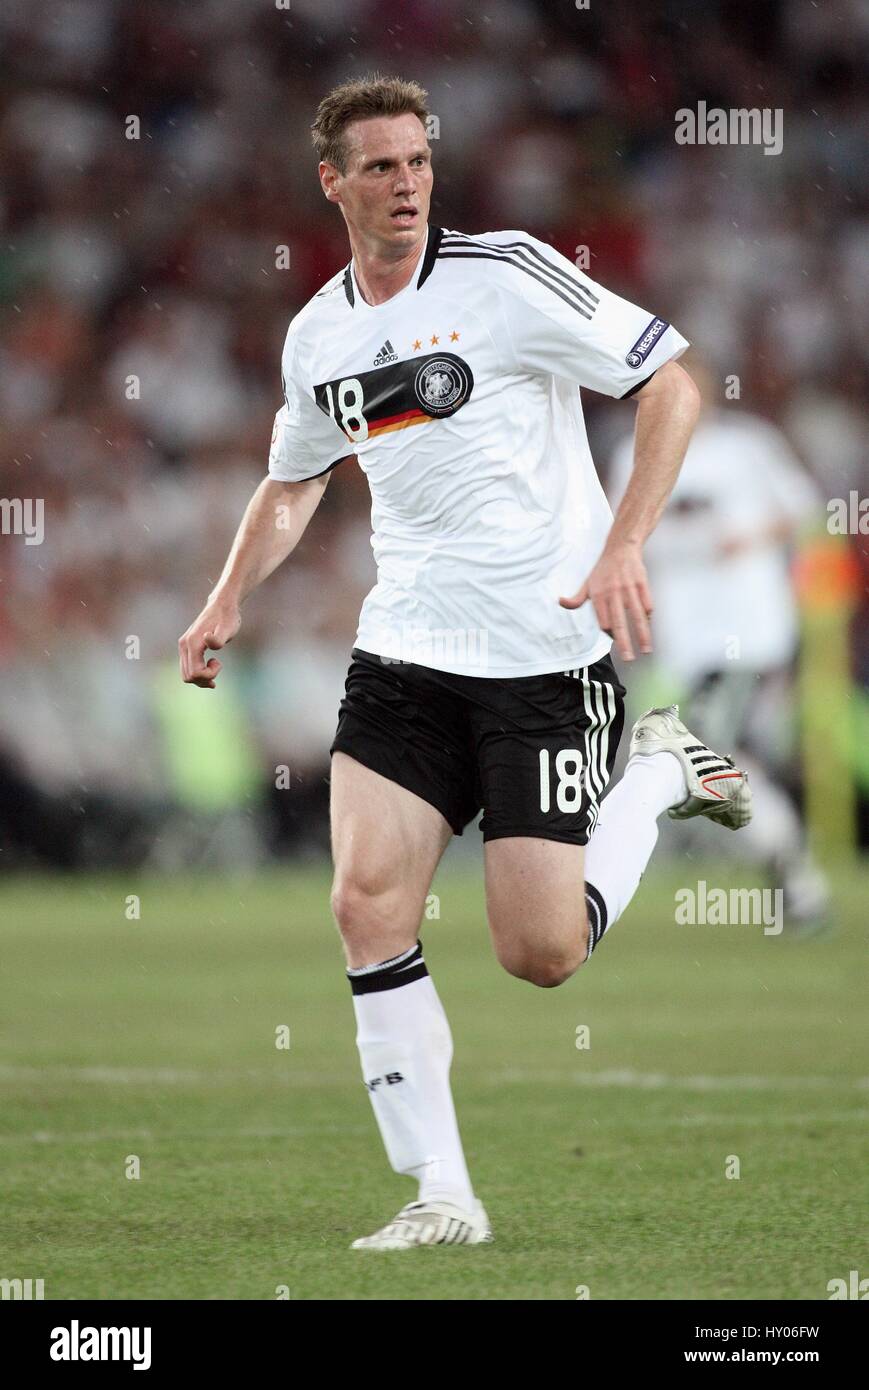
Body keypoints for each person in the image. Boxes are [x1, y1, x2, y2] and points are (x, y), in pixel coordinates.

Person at [178, 75, 751, 1251]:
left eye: (419, 163)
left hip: (543, 656)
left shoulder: (504, 277)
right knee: (364, 903)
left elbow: (668, 384)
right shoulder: (319, 332)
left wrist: (625, 540)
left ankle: (654, 769)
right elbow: (295, 480)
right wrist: (227, 593)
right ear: (330, 182)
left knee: (537, 955)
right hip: (403, 655)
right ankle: (443, 1193)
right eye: (379, 167)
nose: (406, 185)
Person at [608, 357, 829, 927]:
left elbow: (804, 510)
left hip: (748, 633)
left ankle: (792, 867)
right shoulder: (628, 456)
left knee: (698, 753)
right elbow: (617, 541)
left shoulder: (746, 446)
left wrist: (746, 538)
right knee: (715, 759)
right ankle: (791, 869)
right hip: (686, 643)